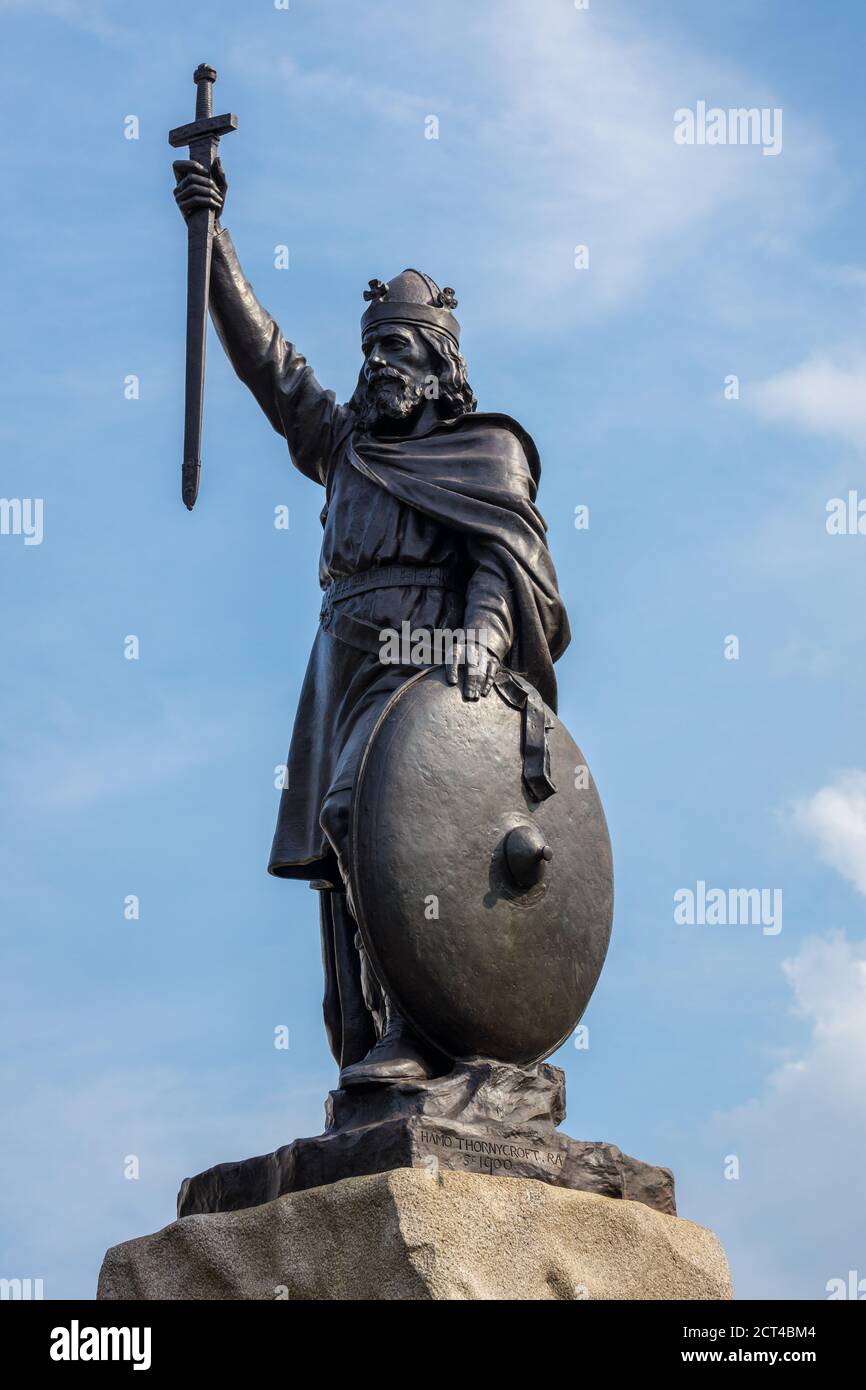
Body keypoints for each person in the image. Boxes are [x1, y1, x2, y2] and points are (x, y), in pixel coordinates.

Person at [172, 155, 571, 1086]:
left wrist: (478, 636)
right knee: (339, 863)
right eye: (373, 351)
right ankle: (368, 1041)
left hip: (427, 664)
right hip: (341, 669)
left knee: (370, 820)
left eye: (398, 352)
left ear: (439, 370)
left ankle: (415, 1029)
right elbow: (270, 365)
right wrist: (212, 238)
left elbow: (499, 564)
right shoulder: (346, 445)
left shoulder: (485, 451)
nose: (379, 367)